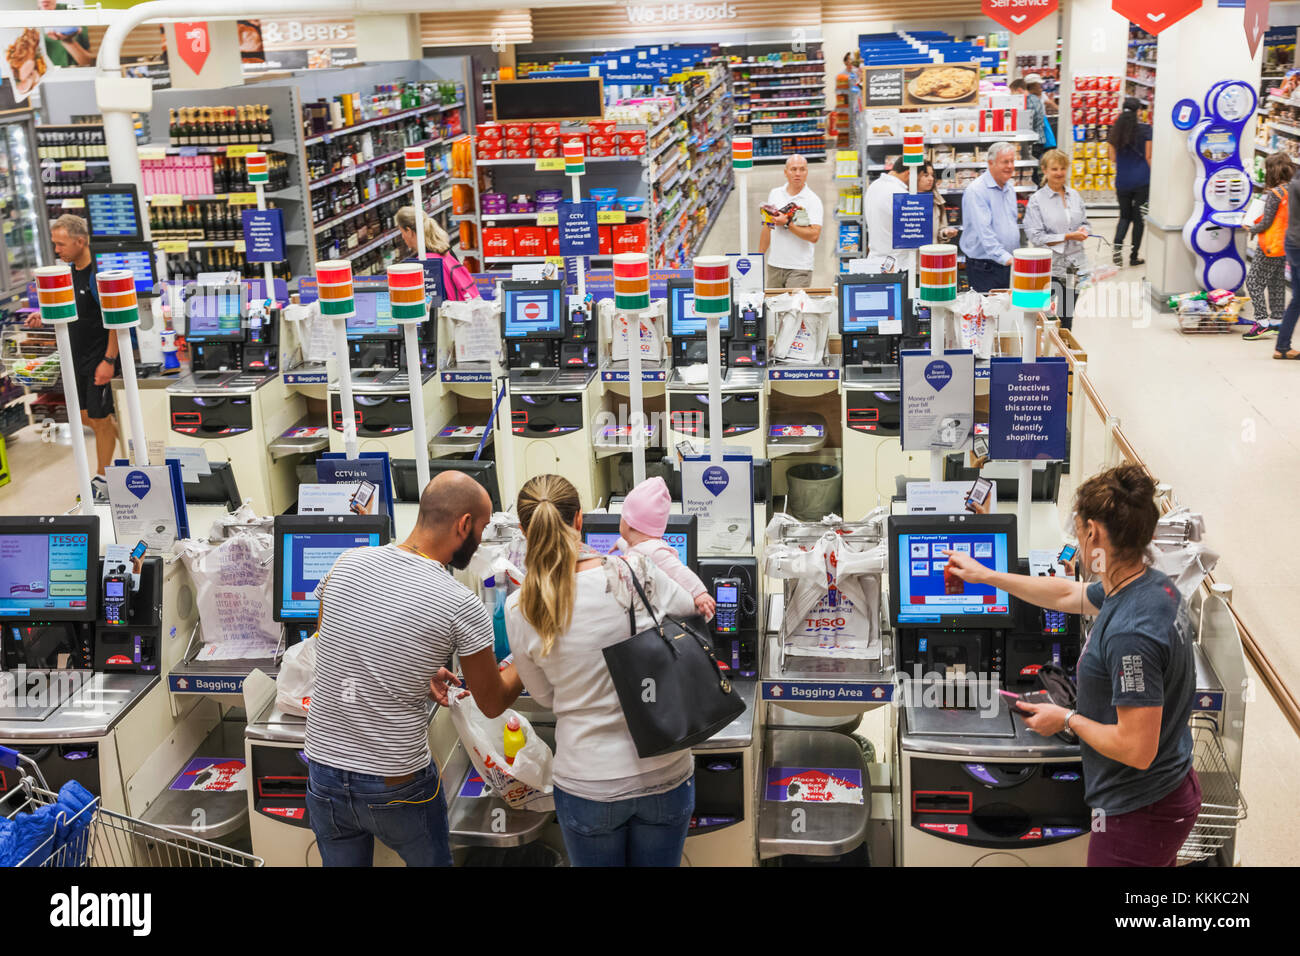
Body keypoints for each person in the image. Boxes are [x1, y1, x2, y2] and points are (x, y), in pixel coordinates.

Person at [944, 464, 1199, 867]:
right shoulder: (1150, 583)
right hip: (1165, 791)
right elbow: (1068, 593)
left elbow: (1137, 749)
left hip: (1138, 811)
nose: (1076, 541)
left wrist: (1066, 719)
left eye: (1076, 530)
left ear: (1093, 532)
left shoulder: (1131, 633)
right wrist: (987, 576)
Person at [305, 471, 523, 867]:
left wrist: (415, 673)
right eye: (482, 528)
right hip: (395, 784)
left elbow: (331, 646)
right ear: (464, 525)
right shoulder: (460, 603)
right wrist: (530, 655)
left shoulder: (346, 562)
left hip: (324, 772)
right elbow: (491, 703)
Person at [501, 474, 698, 867]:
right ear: (580, 522)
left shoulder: (521, 606)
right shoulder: (636, 570)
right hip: (664, 771)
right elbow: (689, 610)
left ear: (524, 530)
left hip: (588, 783)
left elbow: (544, 696)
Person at [24, 214, 118, 498]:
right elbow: (68, 309)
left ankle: (103, 478)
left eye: (61, 244)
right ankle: (119, 433)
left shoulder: (97, 275)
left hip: (98, 359)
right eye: (55, 244)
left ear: (81, 240)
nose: (57, 250)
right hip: (75, 358)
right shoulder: (67, 272)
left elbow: (114, 321)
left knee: (100, 420)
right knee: (86, 415)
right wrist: (44, 315)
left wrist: (110, 360)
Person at [617, 476, 715, 620]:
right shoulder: (638, 544)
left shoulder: (654, 552)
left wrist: (699, 594)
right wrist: (619, 543)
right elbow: (630, 545)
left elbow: (679, 571)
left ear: (629, 524)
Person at [1023, 148, 1091, 330]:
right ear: (1045, 170)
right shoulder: (1037, 200)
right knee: (1042, 316)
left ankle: (1063, 353)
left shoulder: (1074, 196)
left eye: (1062, 168)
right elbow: (1036, 237)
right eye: (1054, 169)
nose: (1059, 173)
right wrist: (1068, 236)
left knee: (1067, 317)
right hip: (1048, 268)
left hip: (1074, 267)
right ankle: (1042, 353)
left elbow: (1085, 222)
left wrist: (1085, 230)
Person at [1242, 152, 1293, 341]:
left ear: (1272, 170)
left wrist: (1250, 227)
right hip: (1286, 244)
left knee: (1253, 282)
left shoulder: (1275, 194)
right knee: (1276, 282)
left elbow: (1267, 223)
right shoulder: (1292, 190)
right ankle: (1277, 321)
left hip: (1269, 245)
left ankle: (1262, 322)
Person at [959, 142, 1021, 292]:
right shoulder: (977, 191)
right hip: (985, 268)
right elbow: (984, 232)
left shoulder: (1009, 188)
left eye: (1012, 161)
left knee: (1007, 312)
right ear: (990, 163)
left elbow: (1011, 222)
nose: (1010, 166)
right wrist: (1007, 259)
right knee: (989, 312)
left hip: (1008, 263)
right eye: (1005, 162)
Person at [759, 154, 823, 289]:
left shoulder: (813, 200)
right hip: (774, 265)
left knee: (793, 309)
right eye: (793, 169)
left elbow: (814, 236)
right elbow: (767, 227)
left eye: (802, 169)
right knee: (773, 308)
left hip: (799, 268)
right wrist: (758, 257)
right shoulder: (775, 194)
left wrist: (788, 223)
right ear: (785, 172)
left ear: (807, 172)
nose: (798, 174)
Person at [395, 205, 480, 301]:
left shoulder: (424, 262)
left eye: (402, 232)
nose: (402, 237)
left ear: (409, 231)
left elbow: (430, 303)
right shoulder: (445, 250)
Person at [1107, 98, 1152, 267]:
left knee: (1124, 216)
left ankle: (1117, 249)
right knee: (1139, 219)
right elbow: (1148, 157)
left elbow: (1112, 157)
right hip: (1142, 180)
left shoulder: (1115, 132)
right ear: (1138, 111)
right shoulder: (1146, 130)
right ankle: (1134, 256)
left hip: (1123, 181)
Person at [1274, 164, 1300, 360]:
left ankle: (1282, 346)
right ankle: (1282, 346)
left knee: (1297, 300)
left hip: (1292, 243)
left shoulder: (1296, 179)